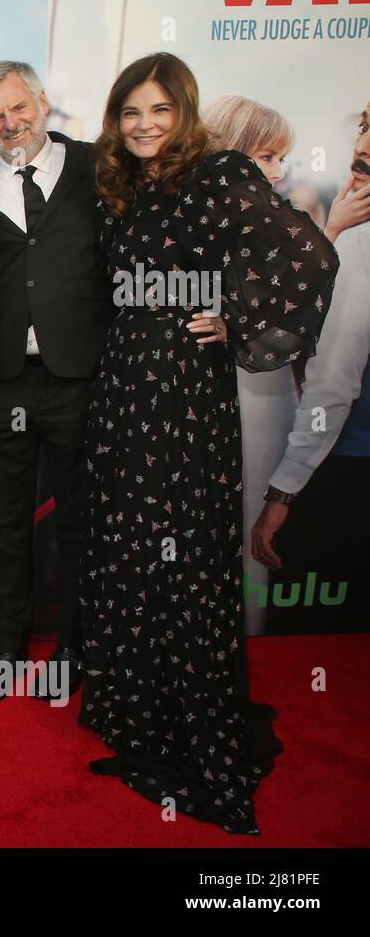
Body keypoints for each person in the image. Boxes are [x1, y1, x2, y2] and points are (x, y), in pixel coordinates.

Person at [80, 52, 338, 834]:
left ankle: (198, 741)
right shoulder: (127, 187)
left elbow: (306, 252)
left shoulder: (217, 174)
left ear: (182, 113)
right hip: (124, 393)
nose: (144, 124)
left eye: (159, 110)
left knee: (183, 556)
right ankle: (138, 718)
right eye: (130, 112)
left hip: (183, 403)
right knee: (127, 551)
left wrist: (237, 320)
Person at [0, 60, 111, 704]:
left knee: (79, 524)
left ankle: (71, 650)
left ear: (43, 102)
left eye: (18, 109)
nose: (9, 124)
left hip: (80, 378)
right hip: (1, 384)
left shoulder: (101, 168)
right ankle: (8, 650)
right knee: (5, 526)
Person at [251, 100, 370, 632]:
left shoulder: (358, 242)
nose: (360, 149)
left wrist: (281, 494)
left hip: (342, 471)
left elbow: (331, 386)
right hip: (338, 459)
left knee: (315, 652)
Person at [202, 96, 305, 633]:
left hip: (261, 398)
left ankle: (249, 653)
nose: (280, 170)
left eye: (280, 157)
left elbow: (285, 326)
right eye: (268, 156)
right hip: (197, 398)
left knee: (251, 538)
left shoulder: (281, 228)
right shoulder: (186, 219)